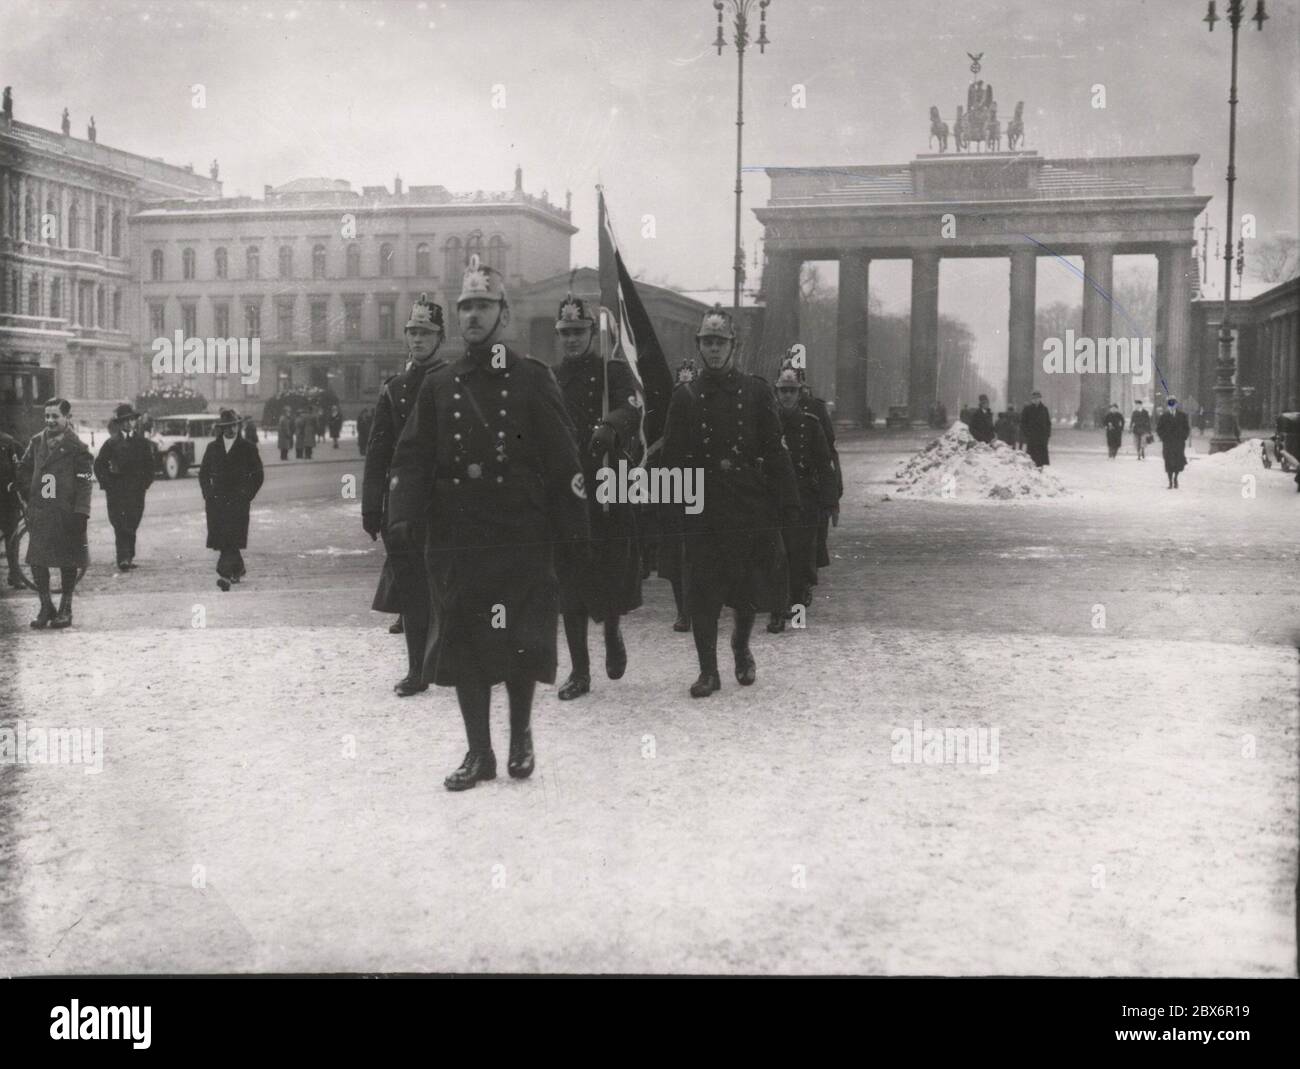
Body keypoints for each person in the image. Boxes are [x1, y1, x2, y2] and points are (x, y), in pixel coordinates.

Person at [387, 255, 588, 791]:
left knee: (521, 641)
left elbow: (565, 461)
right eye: (466, 307)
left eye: (483, 305)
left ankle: (520, 736)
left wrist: (574, 531)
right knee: (464, 644)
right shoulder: (441, 385)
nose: (473, 315)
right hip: (459, 538)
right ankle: (480, 753)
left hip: (520, 535)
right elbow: (411, 457)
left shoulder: (532, 379)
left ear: (504, 313)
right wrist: (402, 515)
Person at [660, 304, 798, 697]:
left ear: (733, 345)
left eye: (721, 341)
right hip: (703, 508)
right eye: (708, 341)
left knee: (746, 592)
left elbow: (774, 449)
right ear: (699, 345)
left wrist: (788, 502)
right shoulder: (685, 396)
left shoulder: (756, 391)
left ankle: (741, 645)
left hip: (747, 506)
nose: (714, 348)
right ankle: (708, 671)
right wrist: (669, 512)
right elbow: (671, 458)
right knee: (702, 594)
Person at [552, 293, 643, 701]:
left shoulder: (612, 372)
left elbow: (633, 407)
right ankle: (580, 672)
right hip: (569, 492)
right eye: (566, 332)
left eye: (579, 331)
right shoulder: (551, 378)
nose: (572, 339)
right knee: (569, 582)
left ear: (593, 331)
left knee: (608, 574)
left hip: (609, 484)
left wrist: (611, 424)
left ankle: (611, 631)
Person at [362, 294, 448, 696]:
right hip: (404, 509)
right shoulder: (394, 389)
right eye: (412, 331)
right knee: (413, 590)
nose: (417, 339)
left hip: (449, 504)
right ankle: (417, 670)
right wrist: (371, 506)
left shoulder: (454, 382)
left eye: (425, 332)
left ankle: (463, 663)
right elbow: (378, 452)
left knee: (455, 587)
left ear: (440, 338)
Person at [770, 366, 838, 633]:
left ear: (799, 394)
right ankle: (776, 613)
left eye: (791, 391)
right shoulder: (767, 423)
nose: (787, 396)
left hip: (803, 500)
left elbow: (824, 464)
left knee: (799, 559)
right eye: (783, 391)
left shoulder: (811, 424)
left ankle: (796, 610)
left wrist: (830, 502)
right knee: (776, 557)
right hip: (775, 498)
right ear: (776, 393)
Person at [16, 398, 92, 629]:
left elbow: (85, 482)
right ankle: (45, 606)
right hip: (40, 513)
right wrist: (27, 496)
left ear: (67, 418)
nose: (49, 420)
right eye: (47, 416)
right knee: (38, 562)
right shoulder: (37, 441)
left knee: (67, 562)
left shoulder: (77, 447)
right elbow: (24, 469)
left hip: (67, 513)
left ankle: (65, 609)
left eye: (55, 416)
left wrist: (81, 511)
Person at [199, 409, 264, 590]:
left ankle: (225, 574)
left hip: (238, 501)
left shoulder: (248, 448)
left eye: (234, 425)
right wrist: (208, 493)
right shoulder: (213, 448)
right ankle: (238, 569)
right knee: (225, 539)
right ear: (222, 428)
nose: (231, 429)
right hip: (217, 502)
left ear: (239, 425)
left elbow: (258, 475)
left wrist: (247, 494)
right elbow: (203, 474)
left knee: (231, 537)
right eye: (227, 427)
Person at [92, 403, 154, 570]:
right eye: (124, 421)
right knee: (120, 524)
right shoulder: (111, 444)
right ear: (119, 424)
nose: (128, 424)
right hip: (117, 492)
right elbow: (99, 465)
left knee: (133, 521)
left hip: (136, 492)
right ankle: (123, 557)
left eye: (131, 420)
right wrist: (108, 485)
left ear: (135, 422)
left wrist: (144, 485)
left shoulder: (142, 443)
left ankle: (129, 555)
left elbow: (150, 466)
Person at [0, 427, 24, 589]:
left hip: (8, 499)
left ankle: (14, 575)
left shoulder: (8, 442)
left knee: (13, 539)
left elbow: (19, 468)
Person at [1156, 397, 1191, 490]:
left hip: (1179, 442)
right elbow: (1159, 429)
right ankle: (1170, 481)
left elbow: (1186, 428)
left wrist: (1184, 437)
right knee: (1168, 460)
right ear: (1168, 406)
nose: (1172, 406)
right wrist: (1163, 437)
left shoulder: (1182, 415)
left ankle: (1176, 478)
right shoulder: (1164, 416)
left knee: (1178, 461)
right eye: (1170, 405)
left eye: (1173, 404)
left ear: (1176, 405)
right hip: (1168, 442)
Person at [1020, 390, 1052, 467]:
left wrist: (1047, 435)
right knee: (1032, 459)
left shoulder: (1044, 409)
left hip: (1042, 438)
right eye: (1034, 398)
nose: (1036, 400)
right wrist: (1027, 434)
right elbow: (1023, 423)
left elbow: (1048, 423)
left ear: (1040, 398)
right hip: (1032, 438)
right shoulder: (1027, 409)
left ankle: (1040, 473)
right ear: (1032, 399)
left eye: (1037, 398)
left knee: (1041, 461)